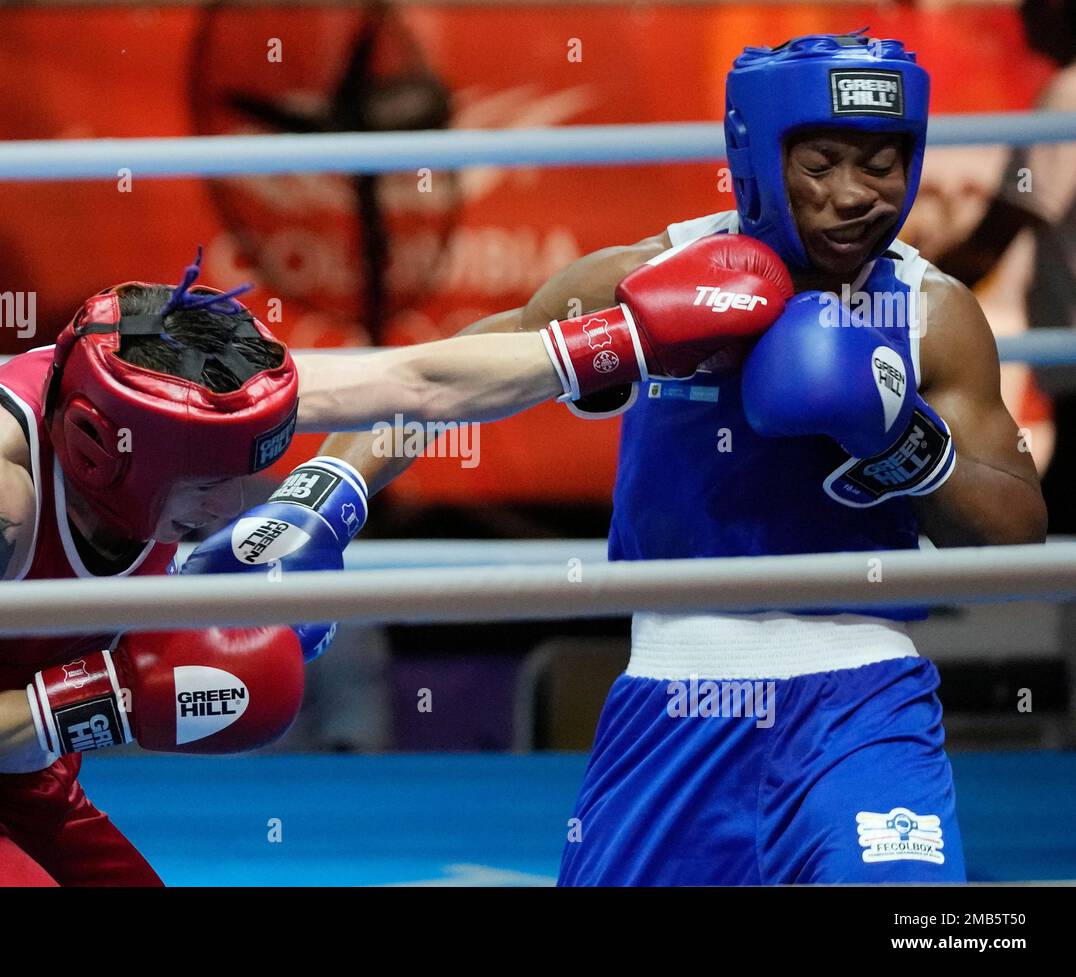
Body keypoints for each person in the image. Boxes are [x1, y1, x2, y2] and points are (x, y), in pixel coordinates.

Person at [0, 241, 787, 886]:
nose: (256, 492)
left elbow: (421, 378)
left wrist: (618, 341)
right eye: (228, 480)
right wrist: (110, 692)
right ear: (120, 459)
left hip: (29, 777)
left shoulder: (190, 399)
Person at [324, 32, 1047, 884]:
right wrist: (321, 498)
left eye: (883, 162)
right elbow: (449, 380)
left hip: (863, 704)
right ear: (755, 153)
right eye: (823, 161)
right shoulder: (642, 282)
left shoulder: (931, 311)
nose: (856, 195)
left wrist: (903, 440)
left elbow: (1016, 532)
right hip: (674, 698)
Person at [929, 0, 1076, 533]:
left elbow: (998, 234)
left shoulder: (1066, 96)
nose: (1022, 17)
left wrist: (901, 294)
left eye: (1035, 5)